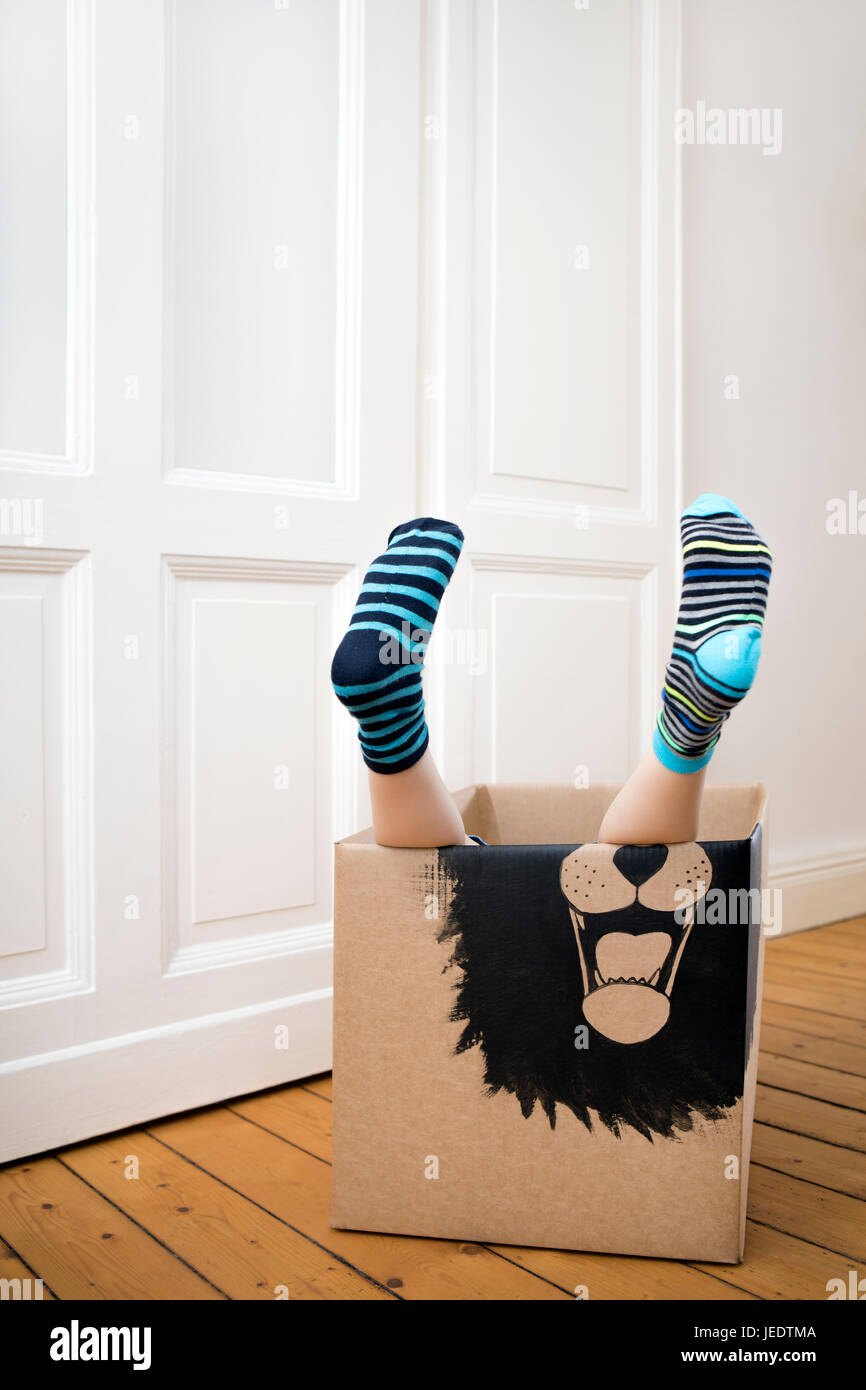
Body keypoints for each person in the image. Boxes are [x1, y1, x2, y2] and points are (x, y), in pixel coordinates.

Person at [331, 496, 772, 848]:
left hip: (470, 934)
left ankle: (390, 720)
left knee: (448, 867)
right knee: (622, 859)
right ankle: (686, 724)